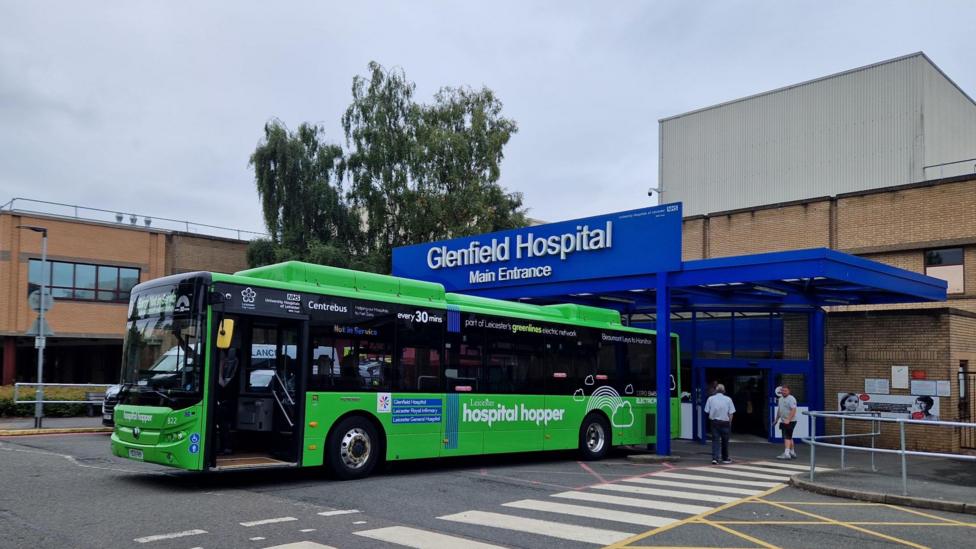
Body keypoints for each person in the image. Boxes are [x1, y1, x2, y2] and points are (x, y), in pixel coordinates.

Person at [704, 383, 735, 464]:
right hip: (725, 422)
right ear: (724, 391)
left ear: (715, 390)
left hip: (714, 422)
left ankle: (715, 458)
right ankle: (725, 458)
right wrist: (730, 423)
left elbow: (706, 410)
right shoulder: (728, 399)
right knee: (725, 441)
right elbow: (731, 413)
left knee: (715, 441)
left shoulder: (710, 399)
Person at [216, 347, 239, 455]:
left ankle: (226, 447)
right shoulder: (224, 375)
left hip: (226, 405)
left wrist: (220, 367)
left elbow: (222, 383)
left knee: (225, 427)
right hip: (223, 404)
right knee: (223, 426)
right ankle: (224, 446)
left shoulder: (230, 378)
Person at [775, 385, 798, 459]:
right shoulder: (781, 399)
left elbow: (793, 410)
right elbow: (779, 410)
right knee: (789, 437)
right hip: (783, 421)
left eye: (785, 391)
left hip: (790, 421)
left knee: (786, 437)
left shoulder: (791, 399)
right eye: (782, 390)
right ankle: (792, 452)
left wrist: (788, 419)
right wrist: (776, 420)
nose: (783, 392)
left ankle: (787, 453)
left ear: (789, 391)